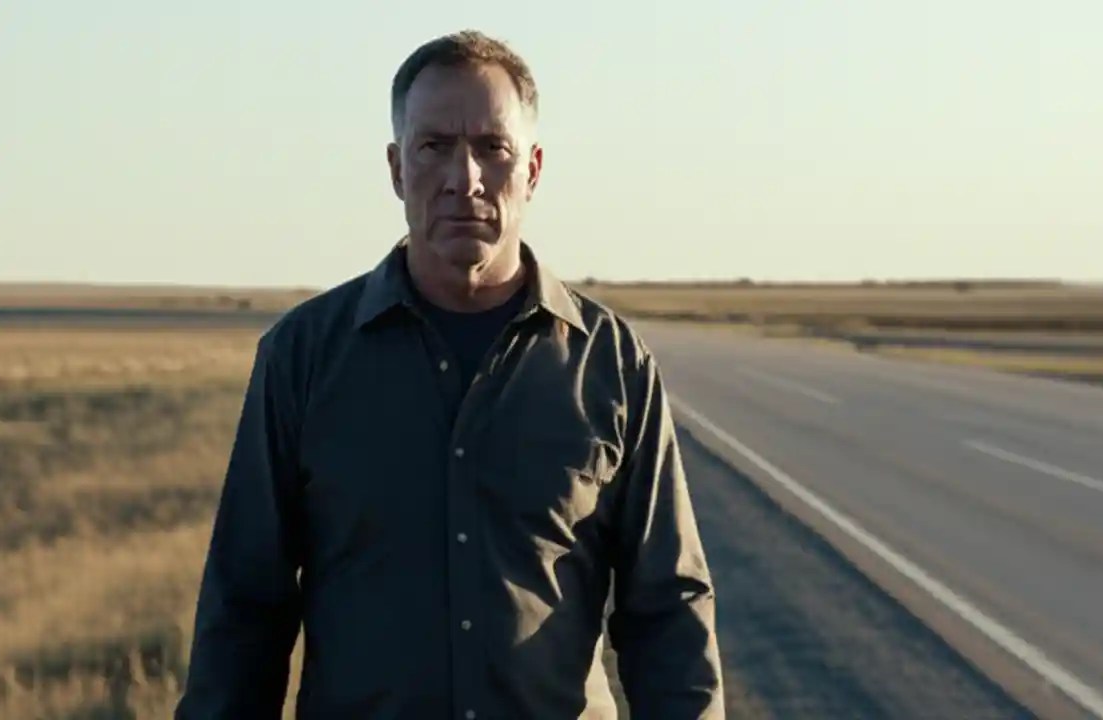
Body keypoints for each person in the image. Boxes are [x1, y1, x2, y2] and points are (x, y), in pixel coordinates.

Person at [174, 29, 724, 720]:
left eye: (492, 148)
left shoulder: (611, 364)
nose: (464, 180)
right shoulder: (303, 357)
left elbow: (667, 611)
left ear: (533, 169)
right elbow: (245, 606)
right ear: (397, 168)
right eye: (434, 146)